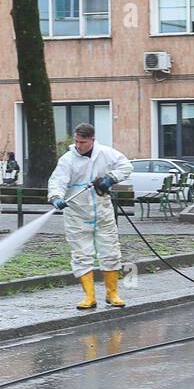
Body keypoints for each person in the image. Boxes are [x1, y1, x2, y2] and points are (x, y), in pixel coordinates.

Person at [47, 123, 134, 309]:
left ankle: (113, 294)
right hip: (77, 214)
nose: (79, 146)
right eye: (77, 141)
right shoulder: (67, 160)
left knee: (110, 251)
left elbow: (126, 166)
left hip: (102, 211)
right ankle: (89, 297)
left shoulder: (106, 153)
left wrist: (110, 178)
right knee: (81, 255)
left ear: (92, 140)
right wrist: (56, 197)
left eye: (83, 142)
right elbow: (58, 180)